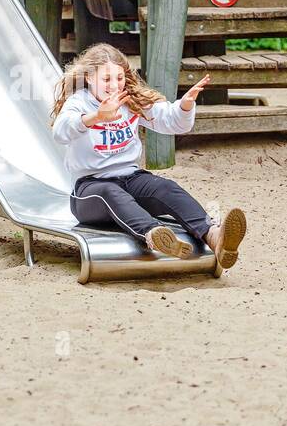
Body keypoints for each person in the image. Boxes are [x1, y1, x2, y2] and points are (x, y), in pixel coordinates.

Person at [50, 42, 247, 268]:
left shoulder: (130, 100)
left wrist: (185, 105)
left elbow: (170, 121)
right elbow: (60, 131)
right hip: (89, 189)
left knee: (165, 188)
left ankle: (214, 236)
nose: (114, 85)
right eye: (107, 79)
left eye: (119, 78)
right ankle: (155, 234)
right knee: (109, 192)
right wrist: (96, 117)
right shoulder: (79, 102)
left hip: (130, 179)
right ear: (89, 78)